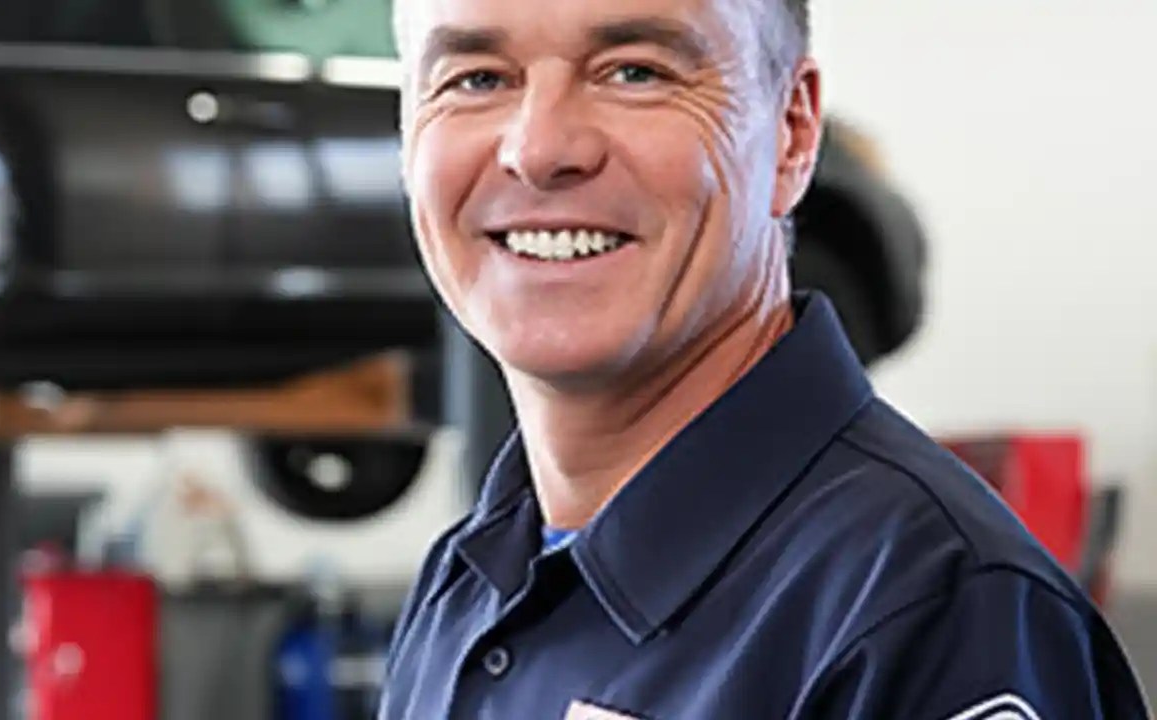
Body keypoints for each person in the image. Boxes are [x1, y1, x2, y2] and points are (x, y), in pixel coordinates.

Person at [378, 0, 1152, 717]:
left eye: (635, 72)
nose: (539, 148)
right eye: (476, 79)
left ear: (791, 129)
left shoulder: (932, 610)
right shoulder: (469, 583)